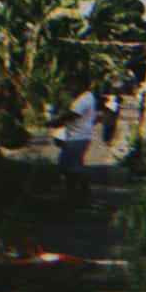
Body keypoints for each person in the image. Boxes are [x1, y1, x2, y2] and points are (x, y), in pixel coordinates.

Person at [47, 73, 97, 201]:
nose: (72, 87)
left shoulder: (85, 98)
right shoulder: (82, 98)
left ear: (83, 85)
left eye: (75, 84)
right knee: (69, 168)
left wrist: (56, 122)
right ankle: (74, 195)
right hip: (75, 136)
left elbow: (72, 114)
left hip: (78, 137)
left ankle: (83, 195)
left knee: (74, 169)